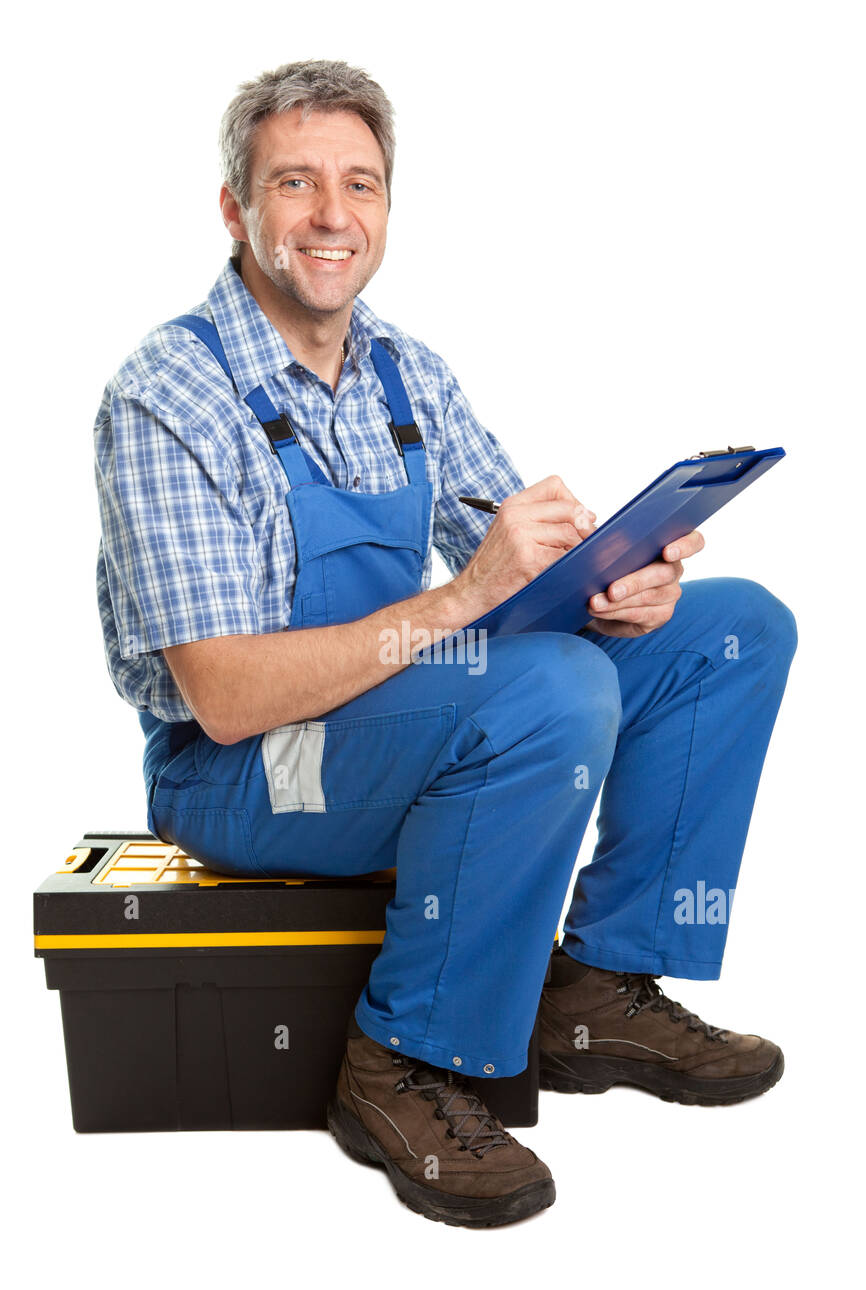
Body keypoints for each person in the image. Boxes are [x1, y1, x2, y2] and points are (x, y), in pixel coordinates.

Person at [95, 59, 798, 1229]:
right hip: (240, 772)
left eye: (360, 184)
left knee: (730, 633)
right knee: (546, 690)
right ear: (236, 209)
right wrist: (468, 597)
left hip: (384, 723)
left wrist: (612, 585)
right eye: (296, 183)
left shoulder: (404, 371)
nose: (333, 216)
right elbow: (218, 696)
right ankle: (403, 1061)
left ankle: (597, 986)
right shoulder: (166, 394)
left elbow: (517, 586)